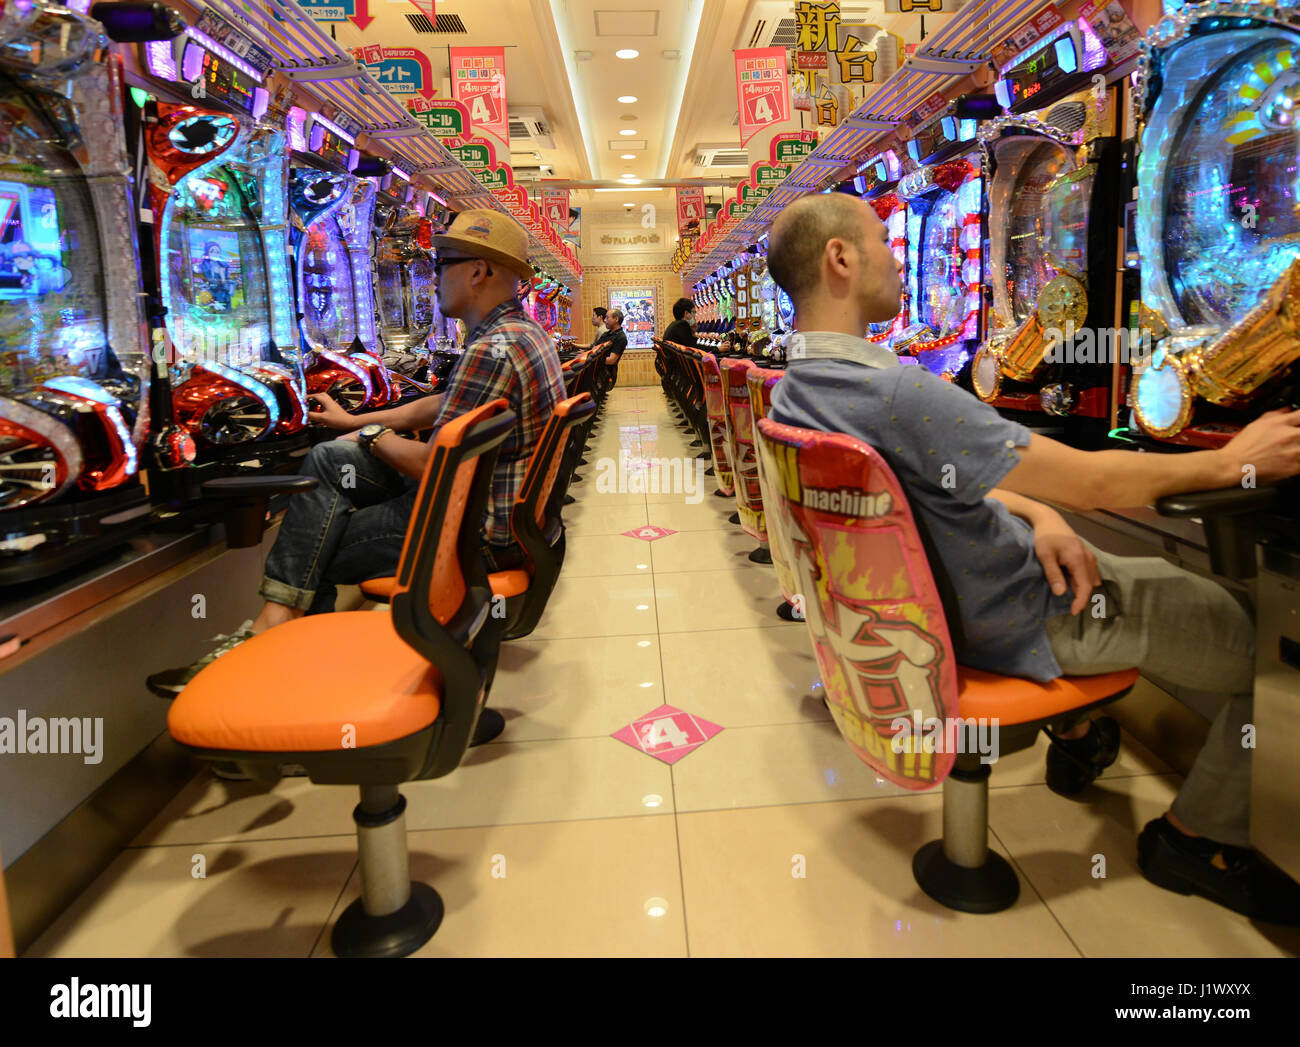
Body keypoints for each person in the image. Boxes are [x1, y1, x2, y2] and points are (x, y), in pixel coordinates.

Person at [765, 191, 1300, 925]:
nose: (898, 258)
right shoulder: (893, 391)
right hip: (1029, 615)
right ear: (841, 258)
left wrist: (1036, 509)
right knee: (1266, 644)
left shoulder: (797, 387)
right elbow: (1093, 482)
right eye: (887, 240)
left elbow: (916, 494)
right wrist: (1234, 461)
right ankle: (1193, 838)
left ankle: (1081, 734)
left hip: (935, 619)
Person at [149, 209, 565, 713]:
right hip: (499, 512)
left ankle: (273, 674)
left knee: (316, 546)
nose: (430, 277)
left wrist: (370, 432)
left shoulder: (492, 349)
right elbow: (443, 404)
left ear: (478, 272)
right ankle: (275, 643)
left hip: (473, 528)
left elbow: (440, 464)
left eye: (440, 264)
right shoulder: (517, 335)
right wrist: (354, 424)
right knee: (328, 459)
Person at [597, 307, 628, 390]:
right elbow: (594, 348)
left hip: (604, 374)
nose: (604, 320)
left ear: (616, 319)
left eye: (607, 318)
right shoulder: (606, 334)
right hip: (595, 370)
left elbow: (611, 360)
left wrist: (592, 361)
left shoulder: (620, 337)